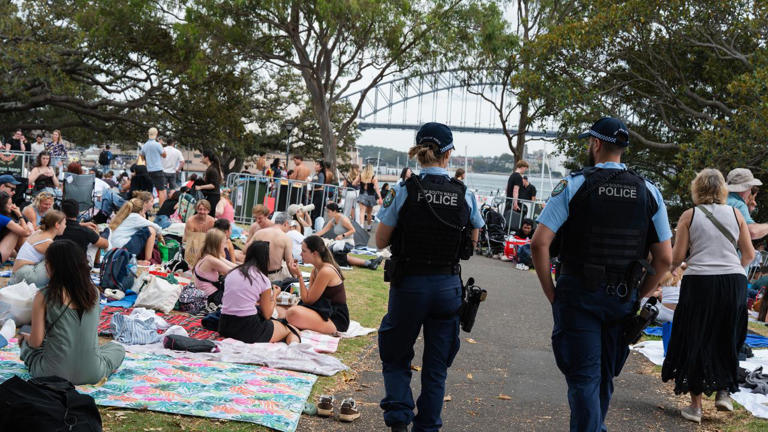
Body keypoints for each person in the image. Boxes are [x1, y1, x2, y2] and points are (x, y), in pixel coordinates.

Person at [530, 117, 672, 432]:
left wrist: (550, 291)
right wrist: (641, 293)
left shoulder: (575, 185)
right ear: (622, 149)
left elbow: (539, 243)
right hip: (622, 299)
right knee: (604, 376)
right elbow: (665, 258)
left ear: (595, 144)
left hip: (577, 295)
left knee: (583, 378)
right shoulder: (649, 191)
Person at [374, 122, 484, 432]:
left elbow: (381, 241)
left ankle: (398, 420)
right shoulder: (466, 193)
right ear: (449, 154)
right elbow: (472, 240)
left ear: (419, 151)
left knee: (396, 355)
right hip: (448, 285)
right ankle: (428, 427)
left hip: (410, 283)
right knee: (436, 368)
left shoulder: (404, 190)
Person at [661, 168, 754, 423]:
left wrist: (674, 268)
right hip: (733, 281)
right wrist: (734, 269)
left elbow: (677, 257)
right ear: (723, 189)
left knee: (696, 336)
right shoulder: (736, 214)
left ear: (697, 189)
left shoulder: (689, 216)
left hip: (699, 281)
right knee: (727, 333)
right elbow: (749, 254)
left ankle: (696, 407)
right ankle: (724, 392)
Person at [19, 240, 125, 385]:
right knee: (117, 348)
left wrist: (26, 339)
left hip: (51, 375)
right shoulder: (94, 292)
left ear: (51, 266)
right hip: (93, 373)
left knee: (27, 345)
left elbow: (36, 342)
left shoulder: (43, 295)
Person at [219, 240, 301, 344]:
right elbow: (267, 315)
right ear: (265, 258)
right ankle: (294, 347)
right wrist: (275, 295)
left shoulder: (233, 272)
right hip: (248, 328)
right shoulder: (262, 279)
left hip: (225, 324)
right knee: (291, 328)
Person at [285, 235, 350, 334]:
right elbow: (307, 298)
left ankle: (326, 328)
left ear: (314, 253)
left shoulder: (326, 271)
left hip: (335, 318)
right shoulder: (316, 269)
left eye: (304, 251)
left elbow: (308, 301)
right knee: (284, 309)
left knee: (292, 313)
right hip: (323, 310)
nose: (301, 254)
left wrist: (299, 276)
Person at [9, 210, 66, 288]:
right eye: (64, 224)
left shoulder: (39, 232)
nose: (65, 226)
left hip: (17, 275)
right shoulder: (47, 242)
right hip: (25, 276)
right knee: (59, 261)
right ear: (57, 225)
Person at [109, 192, 163, 260]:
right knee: (151, 230)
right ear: (141, 209)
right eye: (151, 201)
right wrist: (161, 237)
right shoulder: (135, 217)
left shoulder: (126, 215)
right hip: (121, 250)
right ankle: (148, 260)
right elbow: (157, 228)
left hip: (114, 249)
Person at [193, 229, 236, 307]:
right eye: (224, 243)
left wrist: (248, 266)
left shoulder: (208, 255)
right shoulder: (211, 260)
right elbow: (234, 272)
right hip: (210, 298)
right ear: (218, 244)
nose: (225, 246)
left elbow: (233, 266)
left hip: (207, 295)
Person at [247, 212, 295, 282]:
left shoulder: (259, 233)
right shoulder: (286, 238)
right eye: (289, 227)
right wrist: (296, 277)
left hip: (256, 273)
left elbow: (245, 250)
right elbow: (289, 262)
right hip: (273, 276)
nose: (289, 229)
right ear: (286, 224)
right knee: (286, 265)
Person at [725, 168, 768, 240]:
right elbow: (752, 232)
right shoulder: (738, 204)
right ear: (746, 188)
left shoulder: (720, 200)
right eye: (750, 189)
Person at [141, 128, 167, 205]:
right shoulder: (157, 144)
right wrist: (161, 145)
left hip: (148, 170)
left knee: (149, 191)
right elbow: (164, 155)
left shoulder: (145, 145)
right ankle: (161, 209)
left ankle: (148, 207)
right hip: (158, 170)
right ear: (156, 134)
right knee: (161, 190)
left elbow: (142, 157)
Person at [504, 160, 529, 231]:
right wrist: (515, 204)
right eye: (525, 168)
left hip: (508, 200)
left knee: (506, 219)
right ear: (522, 167)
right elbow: (515, 191)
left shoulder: (512, 175)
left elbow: (507, 189)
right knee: (514, 222)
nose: (525, 170)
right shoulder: (518, 177)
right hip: (513, 202)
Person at [357, 164, 381, 231]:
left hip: (362, 195)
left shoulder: (360, 176)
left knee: (362, 212)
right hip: (370, 196)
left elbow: (354, 183)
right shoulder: (374, 177)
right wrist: (380, 197)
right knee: (369, 213)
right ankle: (369, 226)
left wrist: (360, 184)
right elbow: (377, 188)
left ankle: (361, 226)